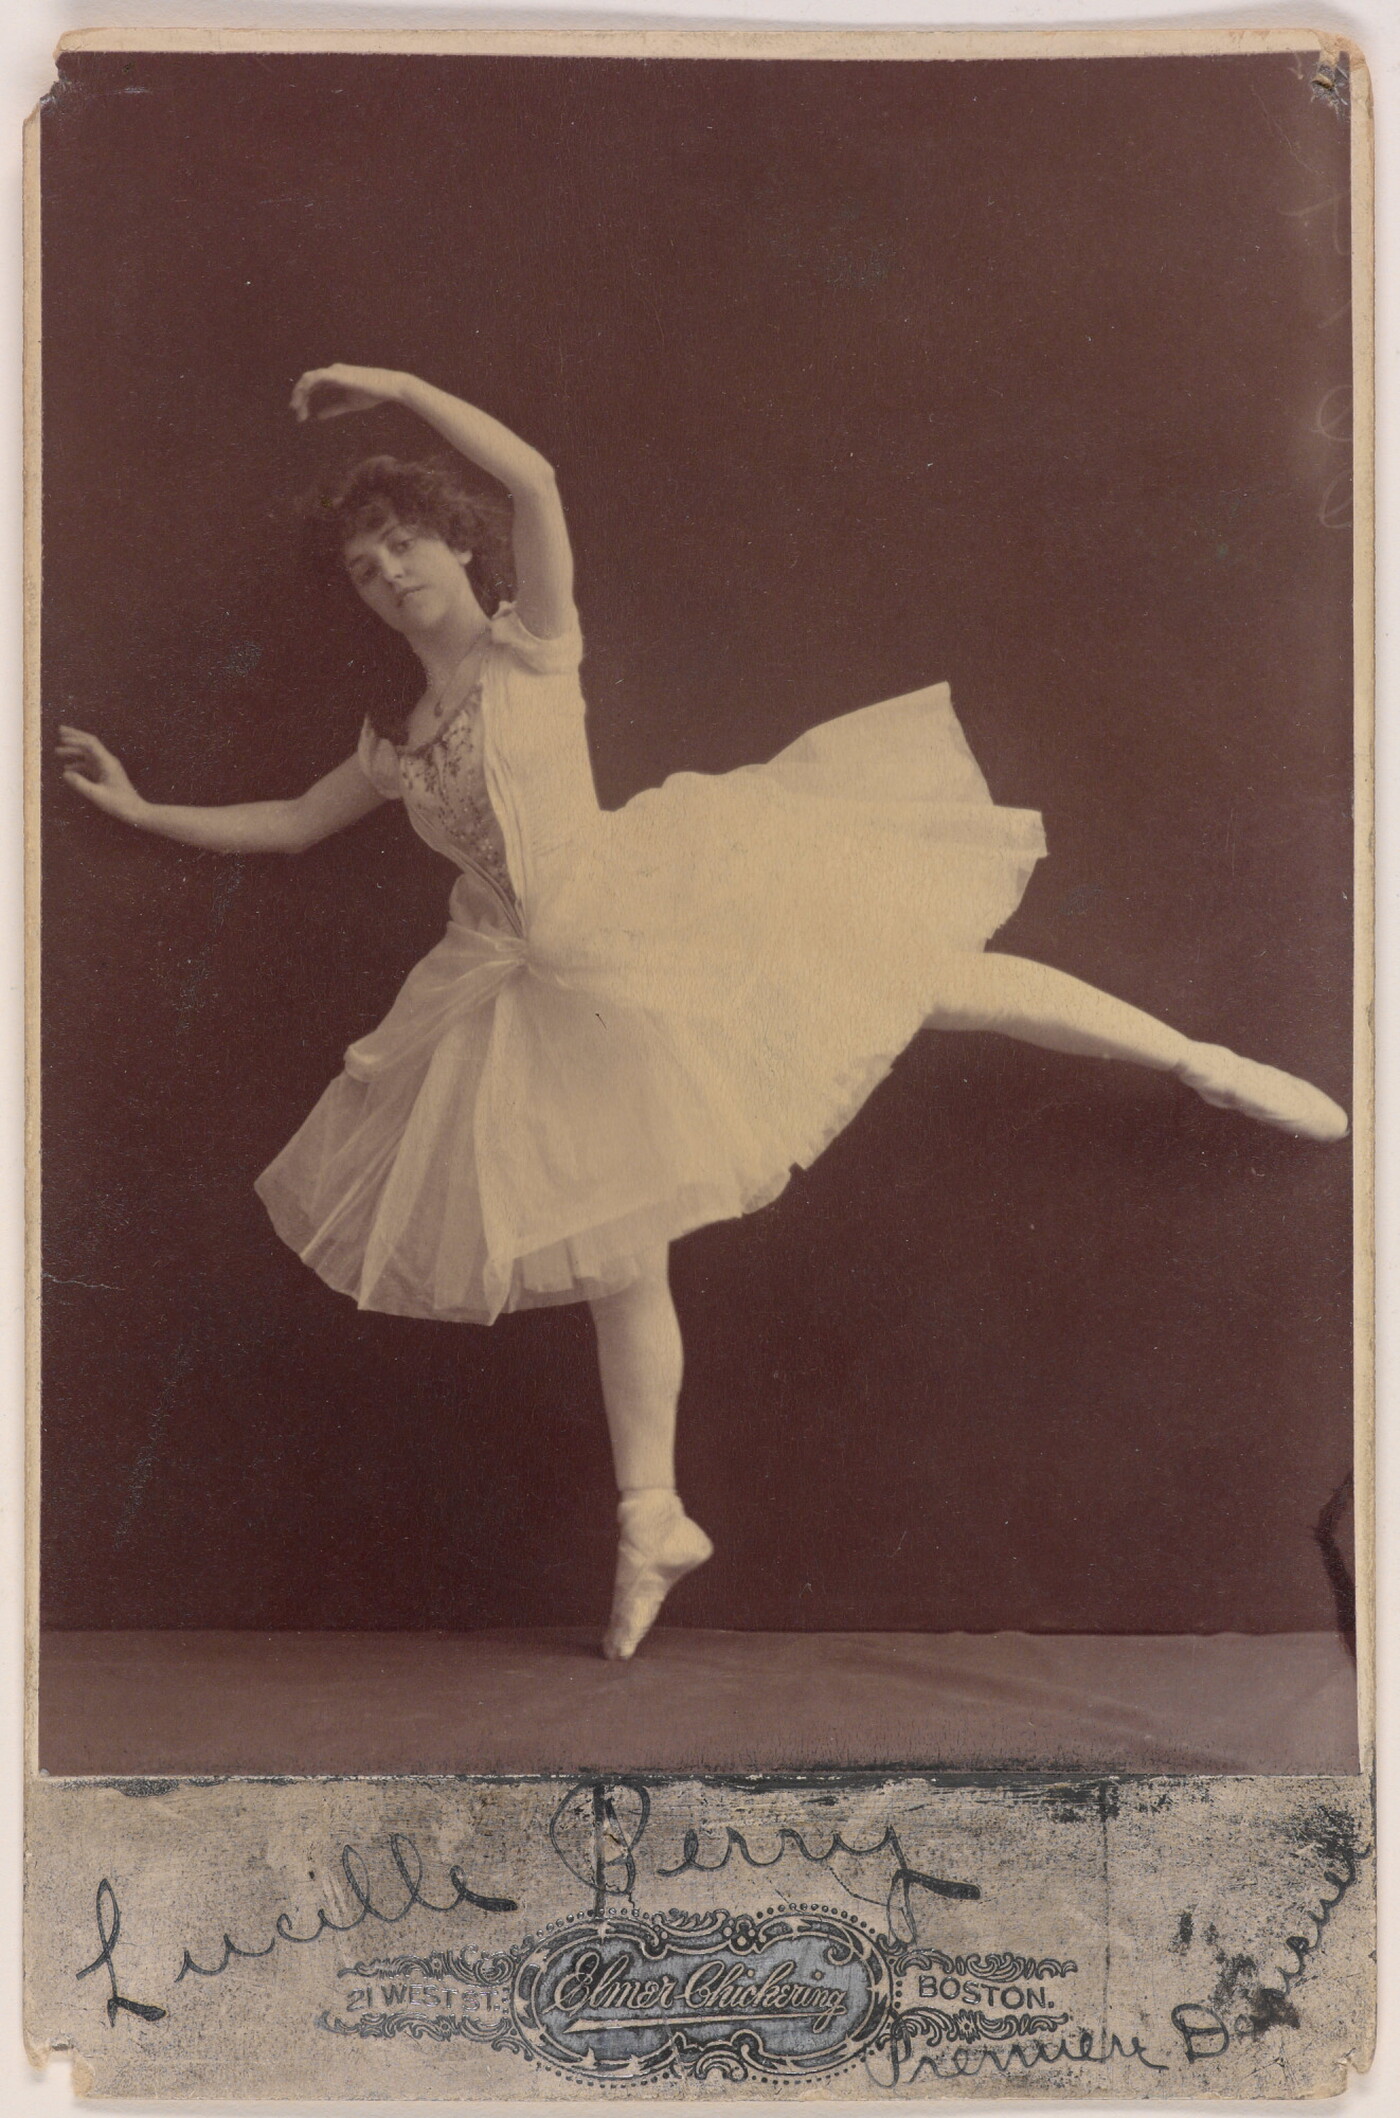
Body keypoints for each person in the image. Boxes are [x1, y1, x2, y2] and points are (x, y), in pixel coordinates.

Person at [58, 364, 1349, 1662]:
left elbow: (537, 479)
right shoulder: (394, 737)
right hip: (525, 983)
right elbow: (290, 824)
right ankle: (652, 1521)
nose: (389, 572)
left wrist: (394, 385)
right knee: (622, 1249)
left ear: (456, 546)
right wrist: (144, 808)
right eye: (363, 566)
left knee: (920, 977)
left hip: (646, 909)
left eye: (404, 544)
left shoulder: (532, 643)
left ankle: (1199, 1058)